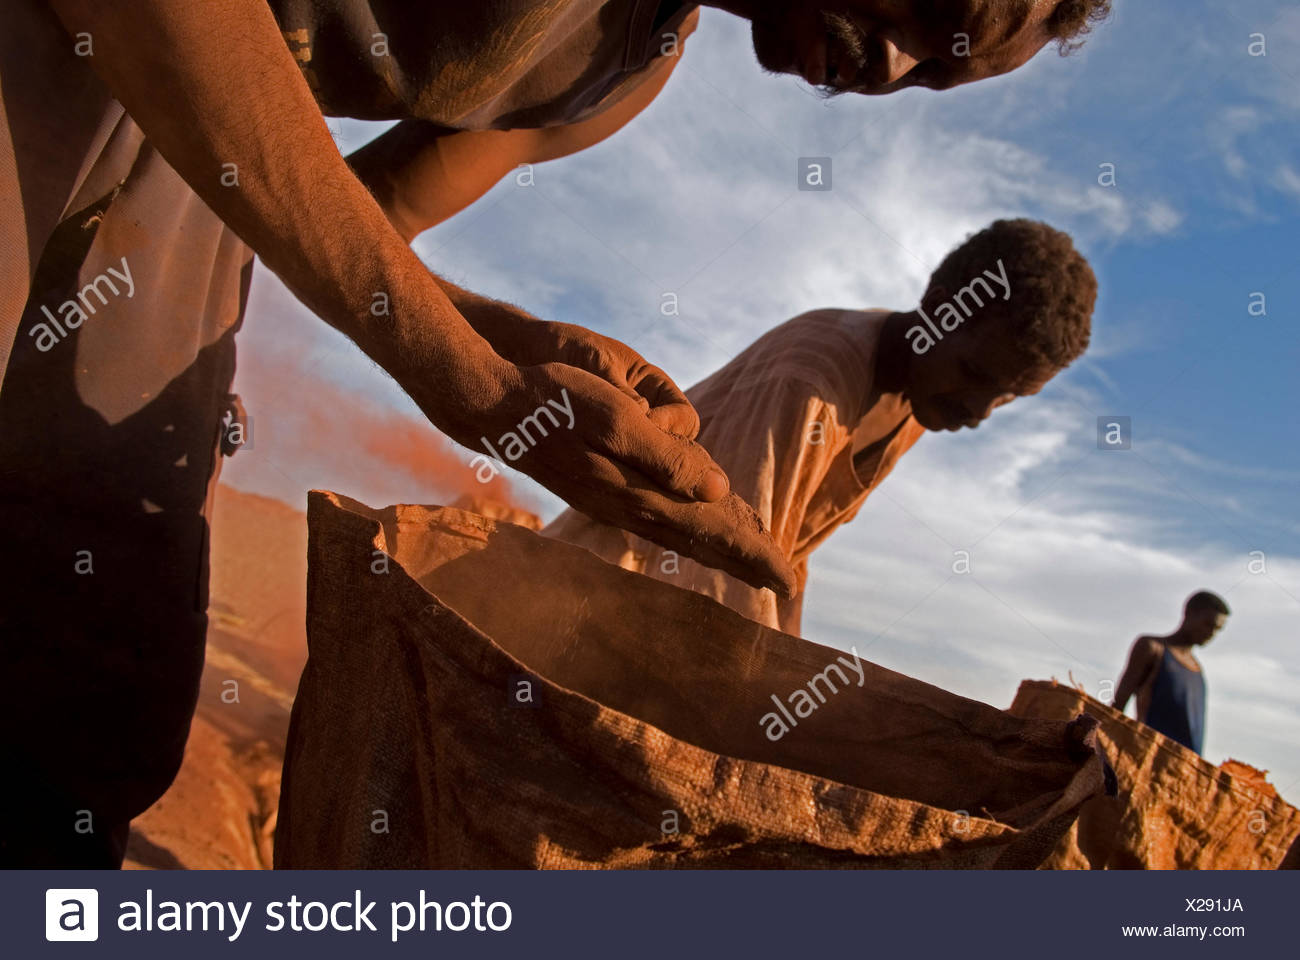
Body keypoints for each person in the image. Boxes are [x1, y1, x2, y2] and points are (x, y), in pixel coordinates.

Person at [0, 0, 1109, 866]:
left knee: (94, 690)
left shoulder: (611, 71)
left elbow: (357, 214)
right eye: (925, 10)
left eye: (939, 66)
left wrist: (510, 341)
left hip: (189, 189)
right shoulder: (815, 376)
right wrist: (468, 380)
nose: (894, 65)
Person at [547, 219, 1097, 633]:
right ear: (939, 308)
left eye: (1008, 398)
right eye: (974, 374)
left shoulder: (915, 405)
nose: (977, 413)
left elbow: (784, 557)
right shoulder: (810, 383)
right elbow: (724, 566)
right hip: (585, 603)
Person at [1112, 591, 1231, 755]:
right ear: (1189, 613)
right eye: (1208, 624)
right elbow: (1116, 708)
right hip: (1145, 757)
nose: (1212, 633)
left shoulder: (1197, 670)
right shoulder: (1152, 648)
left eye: (1218, 629)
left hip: (1183, 770)